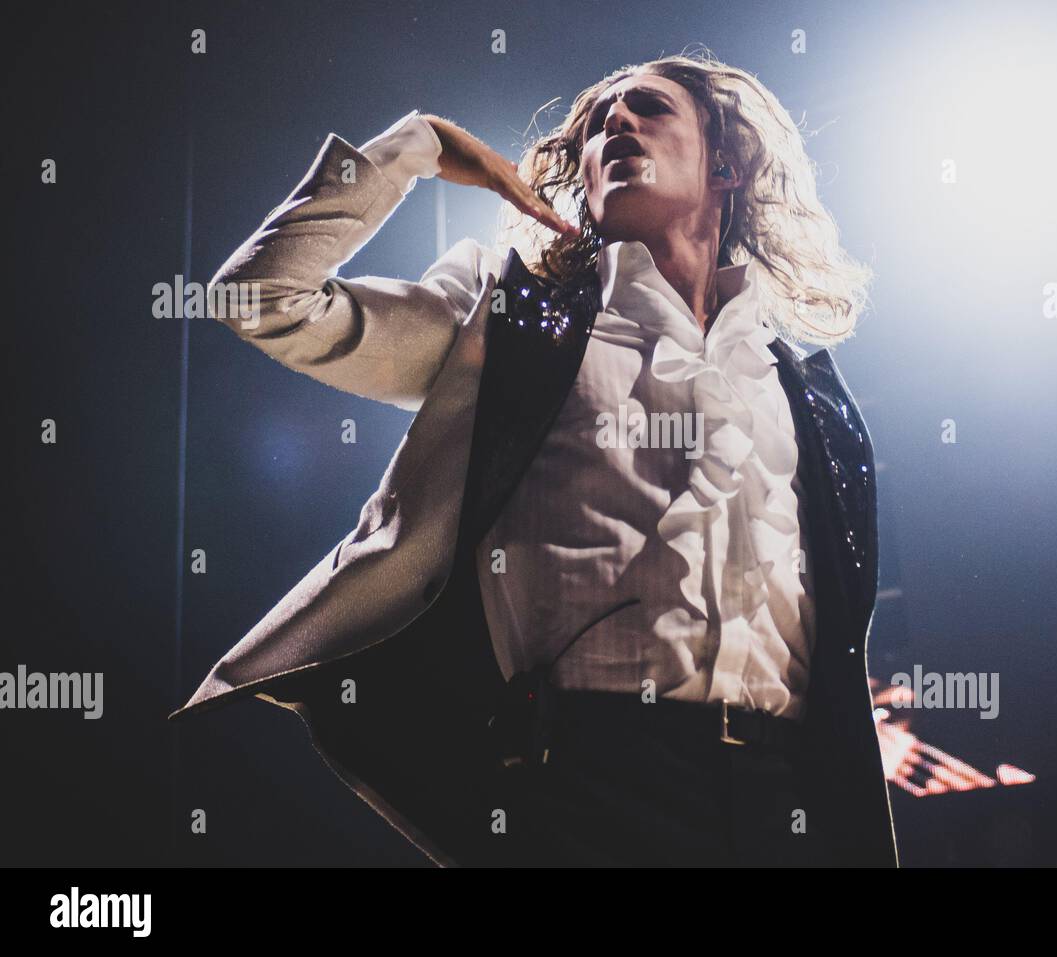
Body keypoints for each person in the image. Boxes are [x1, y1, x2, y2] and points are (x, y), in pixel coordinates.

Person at [171, 51, 898, 868]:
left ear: (724, 162)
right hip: (580, 791)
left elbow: (835, 640)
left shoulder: (805, 389)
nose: (616, 124)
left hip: (784, 804)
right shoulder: (507, 316)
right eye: (596, 126)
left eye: (649, 108)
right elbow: (258, 298)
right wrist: (412, 148)